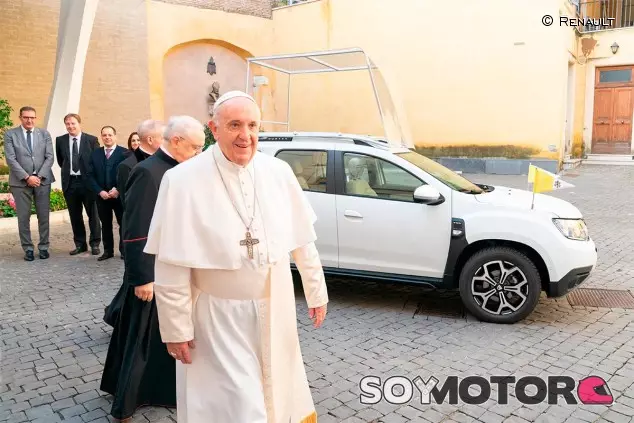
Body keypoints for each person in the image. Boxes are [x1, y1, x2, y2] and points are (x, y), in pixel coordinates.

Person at [144, 91, 329, 423]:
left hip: (275, 308)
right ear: (214, 128)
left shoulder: (278, 172)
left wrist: (316, 290)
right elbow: (172, 263)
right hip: (216, 319)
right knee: (239, 407)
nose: (246, 135)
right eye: (234, 125)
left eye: (252, 125)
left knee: (277, 397)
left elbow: (303, 238)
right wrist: (175, 327)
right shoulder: (182, 180)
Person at [99, 115, 205, 422]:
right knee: (141, 338)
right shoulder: (148, 172)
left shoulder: (177, 170)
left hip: (172, 270)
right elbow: (135, 229)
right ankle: (127, 403)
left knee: (160, 336)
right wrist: (143, 277)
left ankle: (159, 391)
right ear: (176, 142)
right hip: (152, 274)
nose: (198, 153)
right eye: (195, 147)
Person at [102, 120, 164, 328]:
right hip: (137, 230)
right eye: (163, 137)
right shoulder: (127, 166)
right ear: (151, 139)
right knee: (132, 282)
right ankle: (117, 316)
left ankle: (117, 315)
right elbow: (129, 204)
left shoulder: (159, 162)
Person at [3, 106, 55, 261]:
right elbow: (10, 159)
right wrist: (27, 177)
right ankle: (28, 249)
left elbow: (50, 157)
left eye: (32, 117)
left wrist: (38, 176)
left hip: (42, 180)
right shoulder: (10, 134)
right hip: (20, 182)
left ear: (35, 118)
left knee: (44, 216)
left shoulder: (44, 134)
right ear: (20, 117)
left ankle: (44, 246)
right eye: (26, 117)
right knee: (23, 217)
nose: (29, 120)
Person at [55, 113, 102, 256]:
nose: (70, 126)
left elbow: (97, 162)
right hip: (70, 182)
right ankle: (80, 244)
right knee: (75, 216)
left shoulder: (91, 140)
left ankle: (95, 244)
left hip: (87, 183)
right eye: (67, 124)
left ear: (79, 124)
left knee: (93, 215)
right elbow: (61, 160)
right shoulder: (60, 140)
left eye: (73, 123)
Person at [86, 126, 130, 261]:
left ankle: (124, 251)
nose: (107, 137)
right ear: (101, 137)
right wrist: (100, 191)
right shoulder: (95, 154)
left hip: (119, 196)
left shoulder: (125, 153)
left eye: (110, 135)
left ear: (115, 136)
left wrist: (118, 189)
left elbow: (128, 175)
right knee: (105, 225)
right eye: (104, 135)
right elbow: (89, 175)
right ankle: (108, 251)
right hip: (102, 196)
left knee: (123, 224)